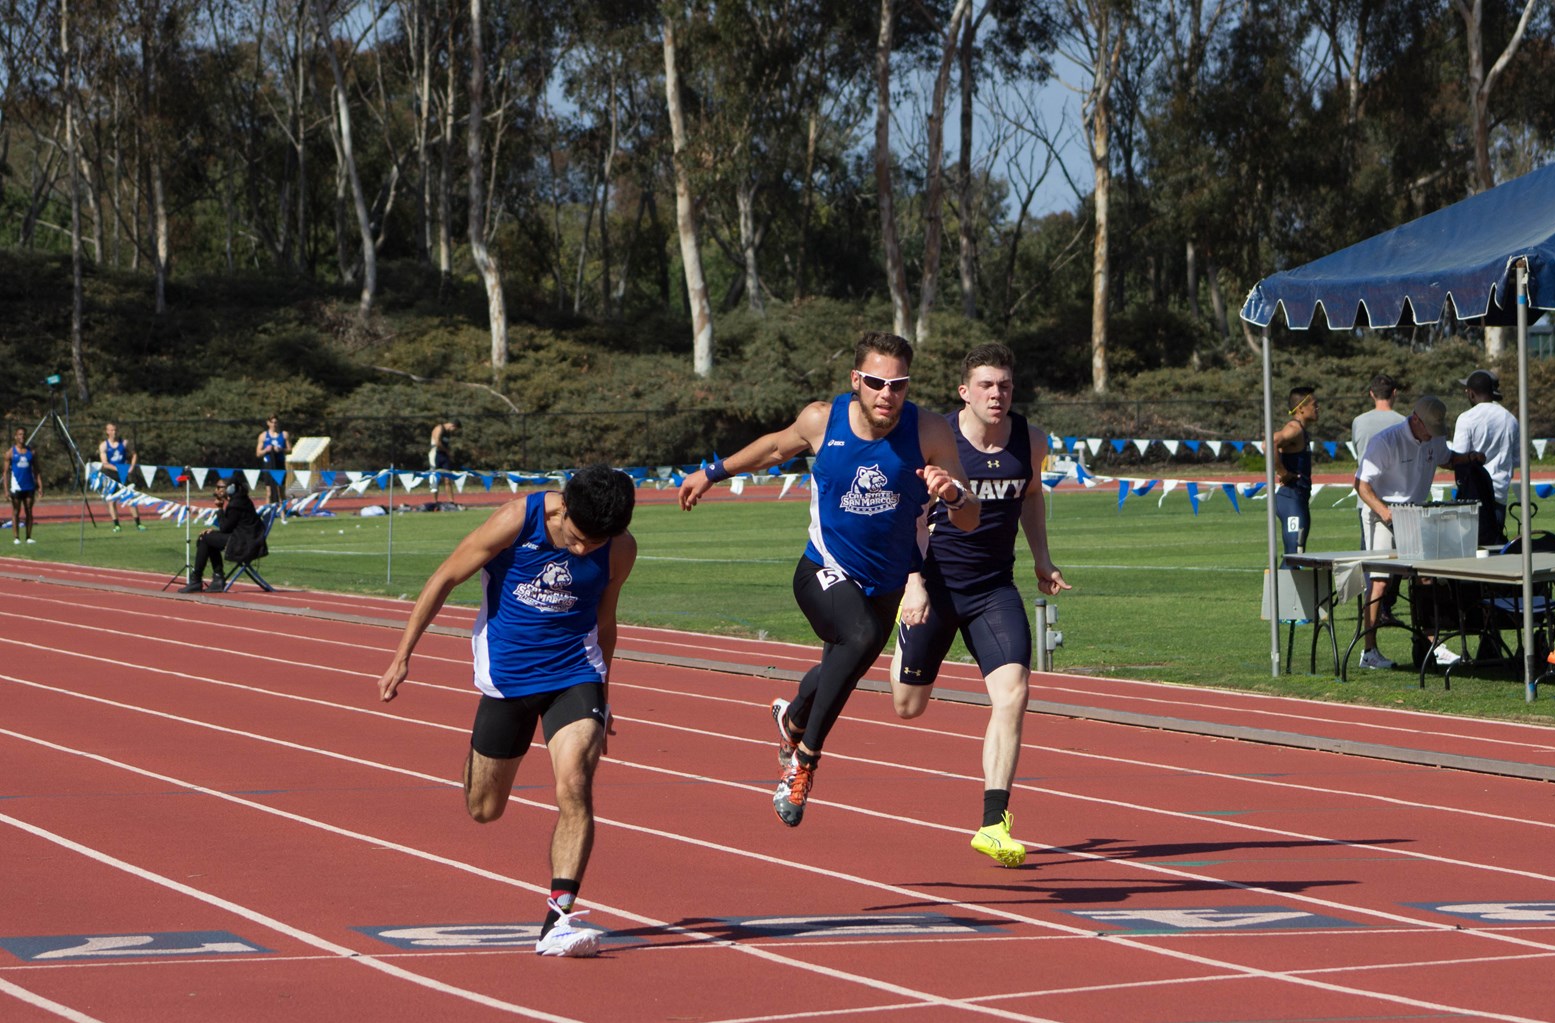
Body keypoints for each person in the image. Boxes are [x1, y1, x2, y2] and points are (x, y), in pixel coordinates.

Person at [678, 330, 978, 827]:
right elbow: (775, 448)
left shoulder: (929, 432)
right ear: (856, 379)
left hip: (885, 583)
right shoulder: (823, 419)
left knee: (847, 663)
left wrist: (953, 496)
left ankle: (792, 717)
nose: (888, 394)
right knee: (858, 637)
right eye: (878, 382)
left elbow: (971, 519)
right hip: (823, 568)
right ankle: (804, 762)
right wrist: (711, 472)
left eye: (899, 384)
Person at [378, 465, 637, 959]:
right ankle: (480, 760)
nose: (584, 551)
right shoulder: (518, 520)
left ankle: (558, 918)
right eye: (579, 539)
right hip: (508, 681)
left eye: (596, 544)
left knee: (576, 785)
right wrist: (403, 654)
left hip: (574, 674)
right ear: (564, 509)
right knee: (484, 809)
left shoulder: (619, 548)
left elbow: (606, 620)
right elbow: (444, 578)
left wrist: (604, 693)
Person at [888, 343, 1067, 867]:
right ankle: (904, 646)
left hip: (993, 588)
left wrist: (1043, 558)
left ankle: (993, 822)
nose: (998, 394)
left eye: (1006, 385)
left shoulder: (1030, 439)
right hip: (936, 585)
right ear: (964, 391)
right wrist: (912, 582)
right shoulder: (935, 441)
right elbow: (904, 517)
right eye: (987, 385)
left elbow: (1031, 495)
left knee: (1013, 693)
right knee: (907, 706)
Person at [1354, 396, 1484, 670]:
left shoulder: (1433, 438)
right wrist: (1386, 512)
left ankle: (1431, 644)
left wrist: (1470, 458)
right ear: (1415, 420)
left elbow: (1447, 459)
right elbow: (1361, 484)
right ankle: (1369, 650)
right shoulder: (1385, 442)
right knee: (1380, 582)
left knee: (1426, 577)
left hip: (1416, 513)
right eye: (1429, 430)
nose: (1432, 437)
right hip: (1382, 513)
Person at [1450, 369, 1519, 541]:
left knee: (1471, 552)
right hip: (1499, 495)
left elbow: (1459, 459)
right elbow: (1517, 460)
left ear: (1471, 394)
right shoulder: (1510, 419)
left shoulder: (1467, 418)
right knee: (1494, 550)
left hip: (1472, 497)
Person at [1350, 373, 1407, 548]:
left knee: (1370, 554)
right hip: (1397, 497)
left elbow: (1357, 452)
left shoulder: (1359, 421)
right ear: (1394, 393)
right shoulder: (1403, 422)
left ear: (1372, 394)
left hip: (1367, 496)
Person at [183, 471, 263, 593]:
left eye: (220, 487)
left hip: (245, 544)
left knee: (204, 539)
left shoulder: (236, 504)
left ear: (230, 488)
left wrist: (220, 509)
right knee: (208, 538)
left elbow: (225, 528)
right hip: (246, 539)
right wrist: (214, 532)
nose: (217, 490)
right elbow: (229, 527)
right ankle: (216, 578)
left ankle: (198, 579)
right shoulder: (240, 500)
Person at [1271, 385, 1318, 556]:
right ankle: (1279, 583)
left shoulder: (1302, 431)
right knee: (1294, 554)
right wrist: (1282, 471)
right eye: (1314, 404)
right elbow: (1269, 443)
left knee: (1298, 553)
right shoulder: (1295, 428)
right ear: (1301, 409)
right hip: (1290, 498)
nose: (1317, 408)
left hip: (1299, 497)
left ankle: (1285, 583)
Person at [98, 422, 144, 531]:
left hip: (123, 475)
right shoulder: (104, 445)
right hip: (110, 474)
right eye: (111, 430)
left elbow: (134, 454)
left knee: (130, 498)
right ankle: (116, 525)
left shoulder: (124, 443)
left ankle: (138, 524)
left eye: (115, 430)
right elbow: (105, 463)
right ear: (107, 432)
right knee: (111, 500)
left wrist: (131, 467)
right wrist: (117, 469)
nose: (114, 432)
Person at [6, 428, 37, 544]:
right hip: (16, 486)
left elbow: (37, 470)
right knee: (16, 511)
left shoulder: (31, 452)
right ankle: (16, 537)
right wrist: (6, 489)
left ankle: (28, 537)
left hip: (29, 486)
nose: (22, 437)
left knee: (29, 510)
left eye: (23, 434)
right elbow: (5, 472)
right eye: (19, 434)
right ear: (15, 436)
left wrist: (40, 485)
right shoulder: (10, 452)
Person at [255, 414, 291, 514]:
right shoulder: (263, 436)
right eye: (272, 422)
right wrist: (266, 450)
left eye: (276, 422)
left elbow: (290, 450)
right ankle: (268, 513)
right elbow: (258, 453)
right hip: (268, 466)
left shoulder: (284, 435)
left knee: (281, 491)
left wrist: (281, 449)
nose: (274, 425)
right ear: (268, 423)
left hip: (280, 465)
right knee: (269, 492)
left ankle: (283, 513)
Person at [429, 419, 459, 507]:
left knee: (447, 478)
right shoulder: (439, 429)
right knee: (435, 478)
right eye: (455, 429)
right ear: (452, 426)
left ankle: (451, 501)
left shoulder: (448, 433)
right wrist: (447, 451)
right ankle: (435, 501)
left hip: (444, 455)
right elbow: (437, 443)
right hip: (436, 454)